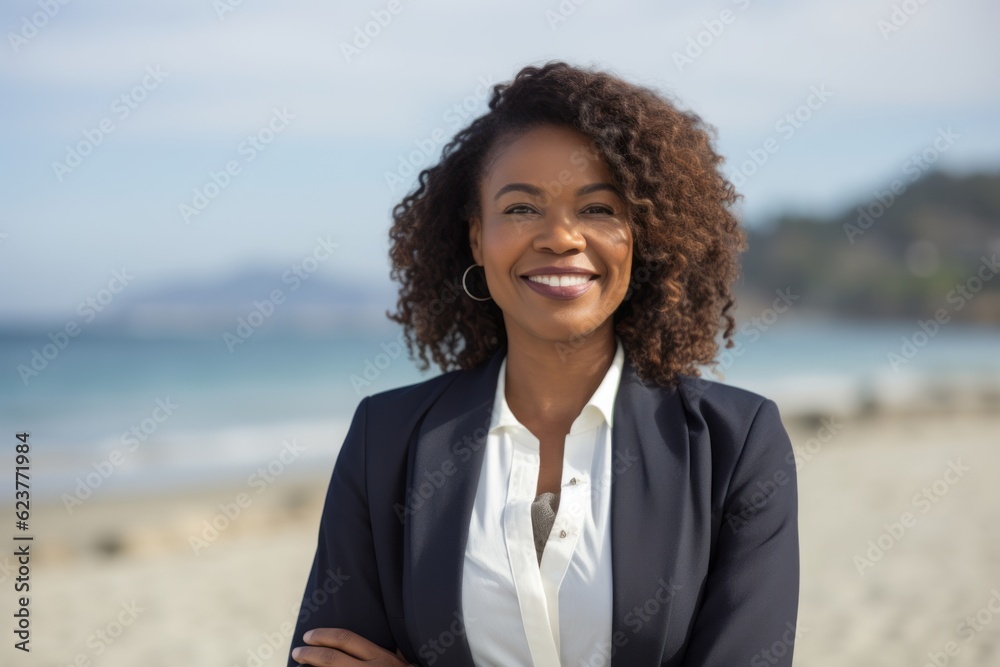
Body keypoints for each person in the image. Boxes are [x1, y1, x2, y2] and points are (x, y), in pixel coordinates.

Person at [287, 60, 799, 667]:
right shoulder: (385, 442)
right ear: (477, 237)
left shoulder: (733, 446)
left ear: (643, 236)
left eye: (599, 209)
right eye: (522, 209)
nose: (561, 237)